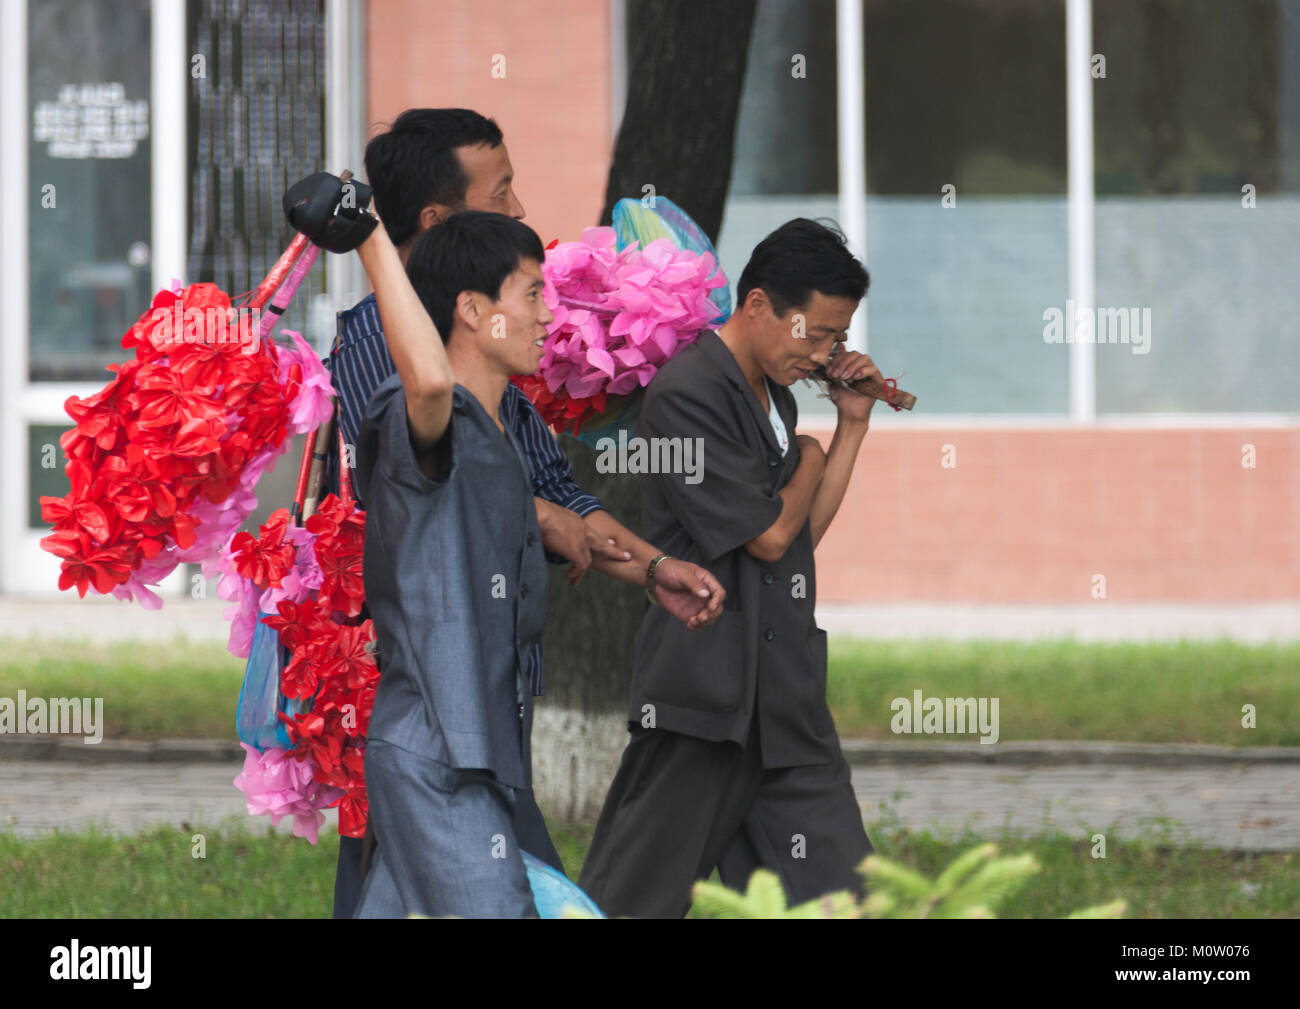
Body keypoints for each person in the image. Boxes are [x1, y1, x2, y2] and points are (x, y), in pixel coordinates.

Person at [319, 109, 725, 916]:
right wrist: (365, 234)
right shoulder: (412, 394)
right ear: (471, 309)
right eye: (532, 294)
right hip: (441, 749)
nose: (549, 313)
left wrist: (652, 567)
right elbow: (432, 399)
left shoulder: (509, 414)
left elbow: (565, 505)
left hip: (476, 742)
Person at [578, 219, 881, 917]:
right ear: (757, 306)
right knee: (633, 899)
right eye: (816, 332)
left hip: (784, 703)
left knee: (847, 899)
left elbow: (800, 539)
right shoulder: (689, 392)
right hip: (704, 704)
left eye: (838, 337)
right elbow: (771, 536)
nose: (826, 352)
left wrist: (852, 427)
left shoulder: (771, 389)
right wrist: (809, 452)